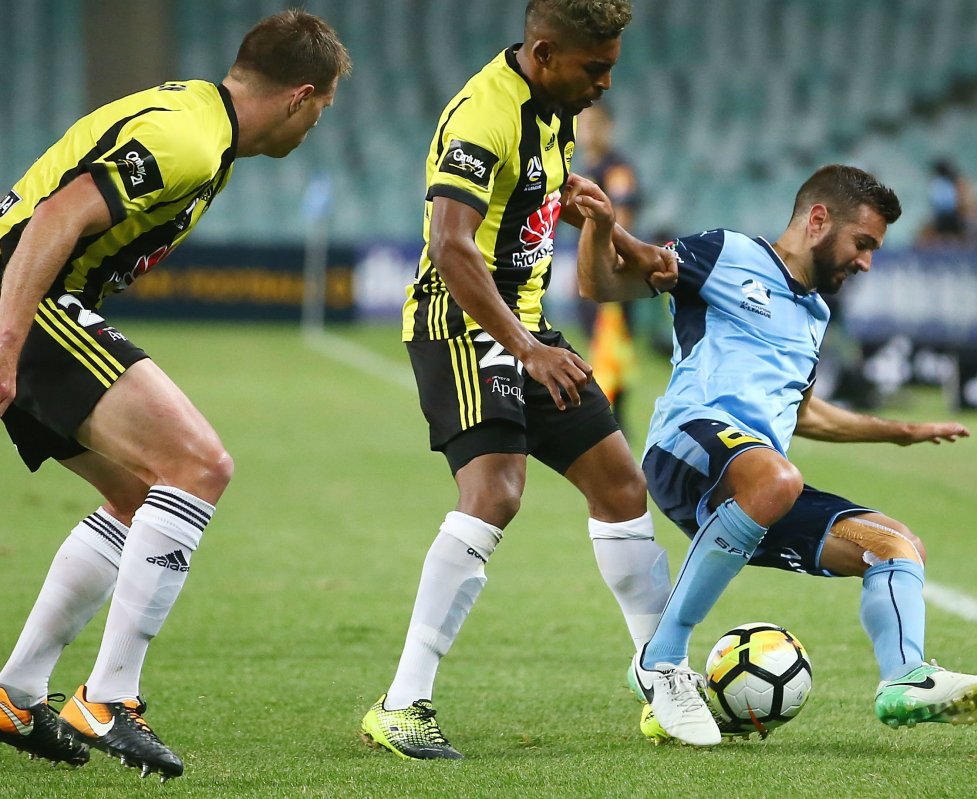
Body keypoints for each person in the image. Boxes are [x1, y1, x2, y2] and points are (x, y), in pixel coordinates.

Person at [0, 11, 350, 779]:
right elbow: (57, 215)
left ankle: (16, 693)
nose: (316, 125)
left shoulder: (199, 119)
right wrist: (7, 342)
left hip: (28, 292)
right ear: (299, 96)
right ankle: (108, 696)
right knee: (199, 464)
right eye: (322, 108)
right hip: (22, 291)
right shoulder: (187, 140)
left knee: (136, 495)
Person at [575, 164, 977, 746]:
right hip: (687, 445)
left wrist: (901, 431)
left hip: (756, 484)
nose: (865, 262)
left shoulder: (815, 314)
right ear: (818, 220)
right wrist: (602, 227)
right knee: (777, 480)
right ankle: (661, 658)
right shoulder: (727, 252)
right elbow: (604, 284)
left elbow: (805, 414)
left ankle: (905, 678)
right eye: (863, 243)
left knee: (897, 547)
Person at [358, 0, 677, 761]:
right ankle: (402, 704)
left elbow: (541, 193)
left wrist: (620, 237)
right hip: (461, 326)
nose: (605, 83)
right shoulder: (484, 115)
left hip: (523, 328)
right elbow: (451, 245)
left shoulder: (555, 106)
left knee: (621, 487)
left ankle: (661, 677)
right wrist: (526, 349)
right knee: (495, 492)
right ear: (544, 53)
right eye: (595, 67)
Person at [575, 102, 643, 426]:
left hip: (609, 276)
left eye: (594, 124)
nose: (587, 132)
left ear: (608, 128)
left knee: (611, 347)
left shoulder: (617, 170)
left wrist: (610, 267)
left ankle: (613, 422)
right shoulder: (585, 168)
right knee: (603, 345)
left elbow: (622, 218)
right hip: (591, 270)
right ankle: (612, 422)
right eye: (582, 124)